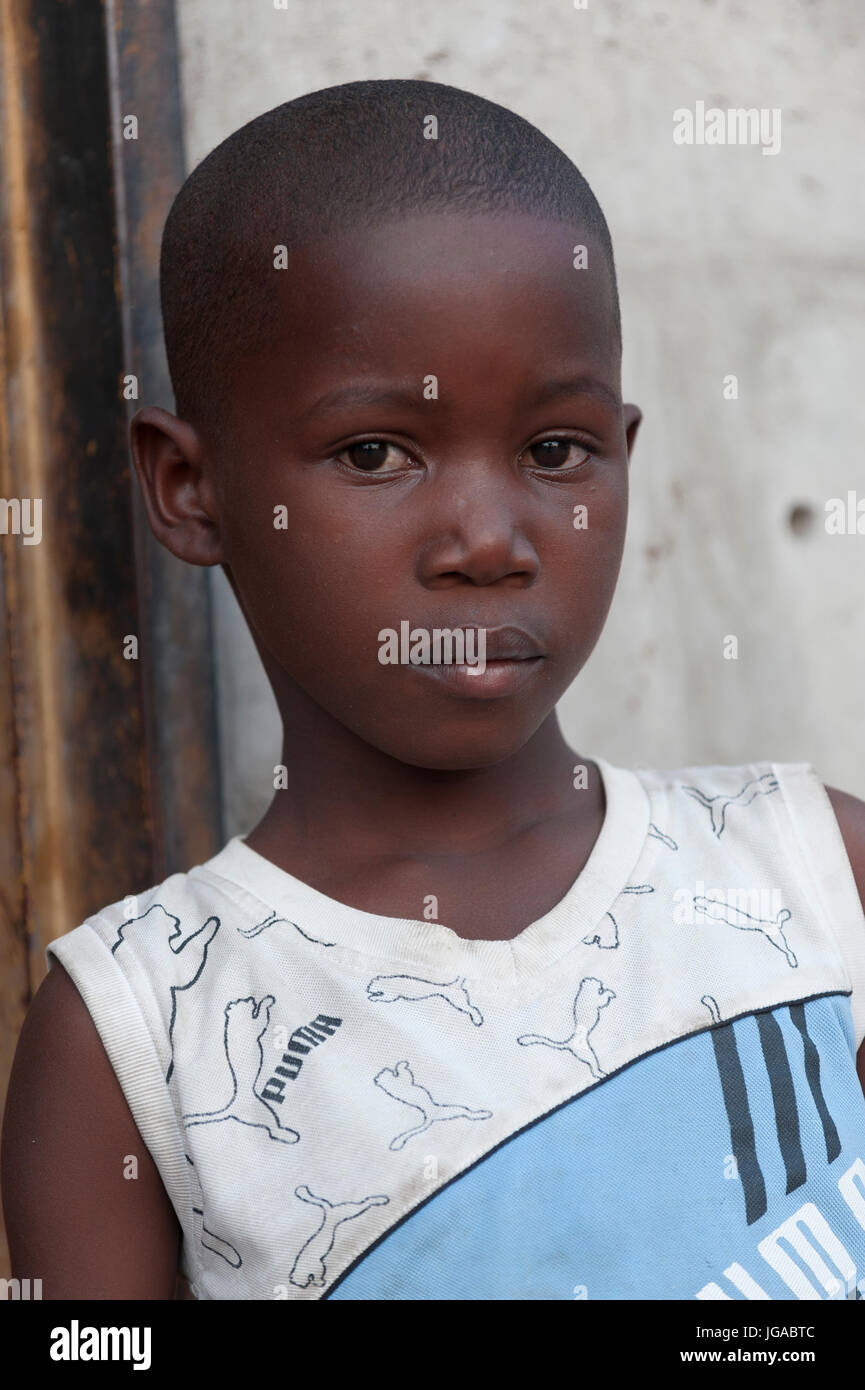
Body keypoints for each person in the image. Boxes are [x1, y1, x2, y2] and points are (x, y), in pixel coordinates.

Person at [3, 78, 865, 1301]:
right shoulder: (139, 1039)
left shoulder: (813, 871)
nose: (486, 539)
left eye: (553, 450)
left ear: (622, 456)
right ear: (190, 488)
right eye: (375, 454)